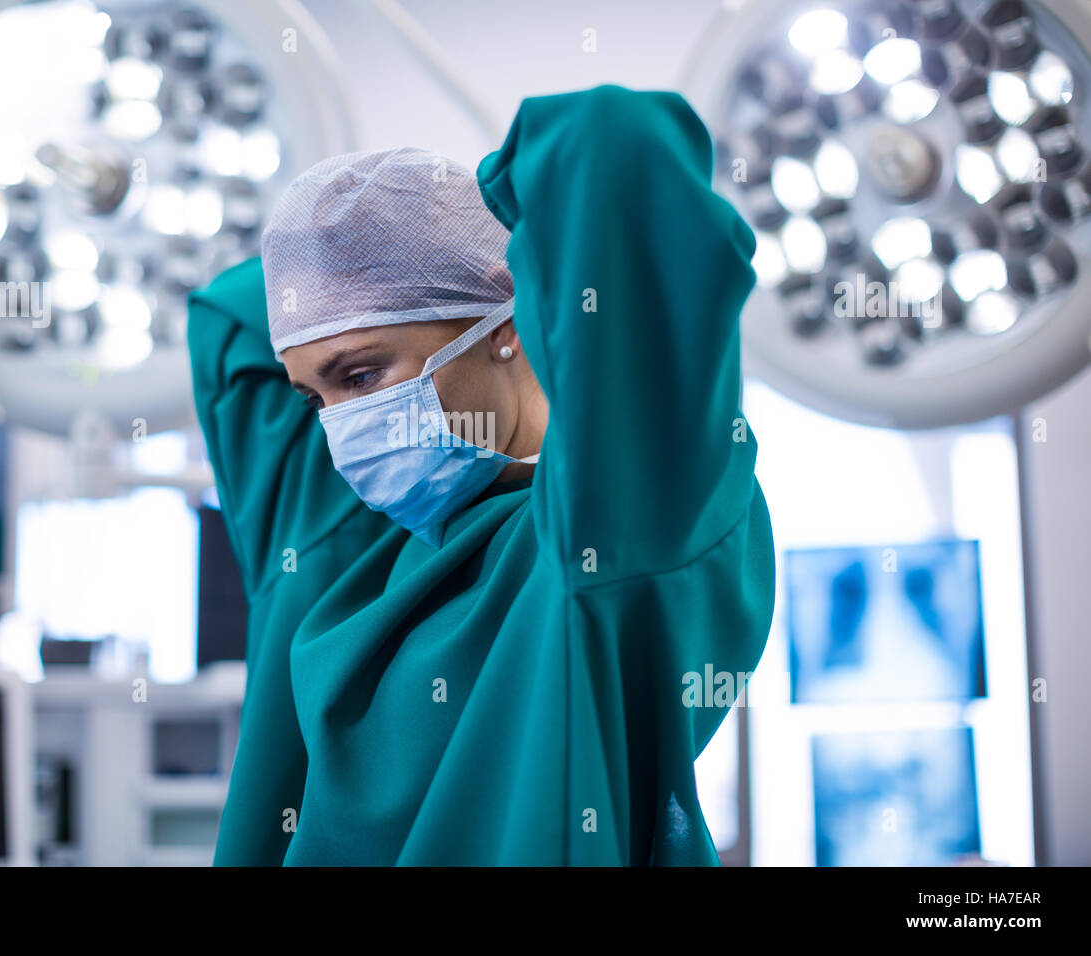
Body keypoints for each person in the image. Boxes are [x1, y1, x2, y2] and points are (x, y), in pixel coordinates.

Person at [187, 83, 775, 865]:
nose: (337, 430)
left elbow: (612, 141)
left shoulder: (601, 537)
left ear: (502, 327)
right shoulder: (350, 559)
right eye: (312, 398)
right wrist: (352, 238)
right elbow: (228, 323)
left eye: (360, 377)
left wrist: (493, 216)